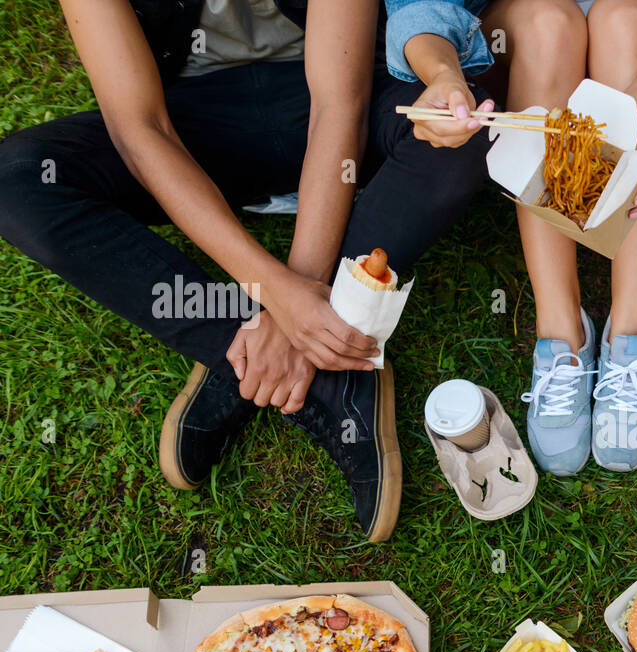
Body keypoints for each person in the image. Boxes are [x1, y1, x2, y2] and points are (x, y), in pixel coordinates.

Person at [0, 0, 491, 542]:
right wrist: (275, 294)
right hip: (193, 123)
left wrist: (293, 309)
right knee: (18, 180)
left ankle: (294, 348)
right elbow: (140, 129)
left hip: (343, 101)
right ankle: (259, 350)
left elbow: (338, 104)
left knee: (459, 140)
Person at [386, 0, 637, 475]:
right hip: (518, 44)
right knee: (549, 21)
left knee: (626, 17)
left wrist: (616, 117)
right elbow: (422, 6)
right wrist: (443, 74)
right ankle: (560, 329)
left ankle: (633, 328)